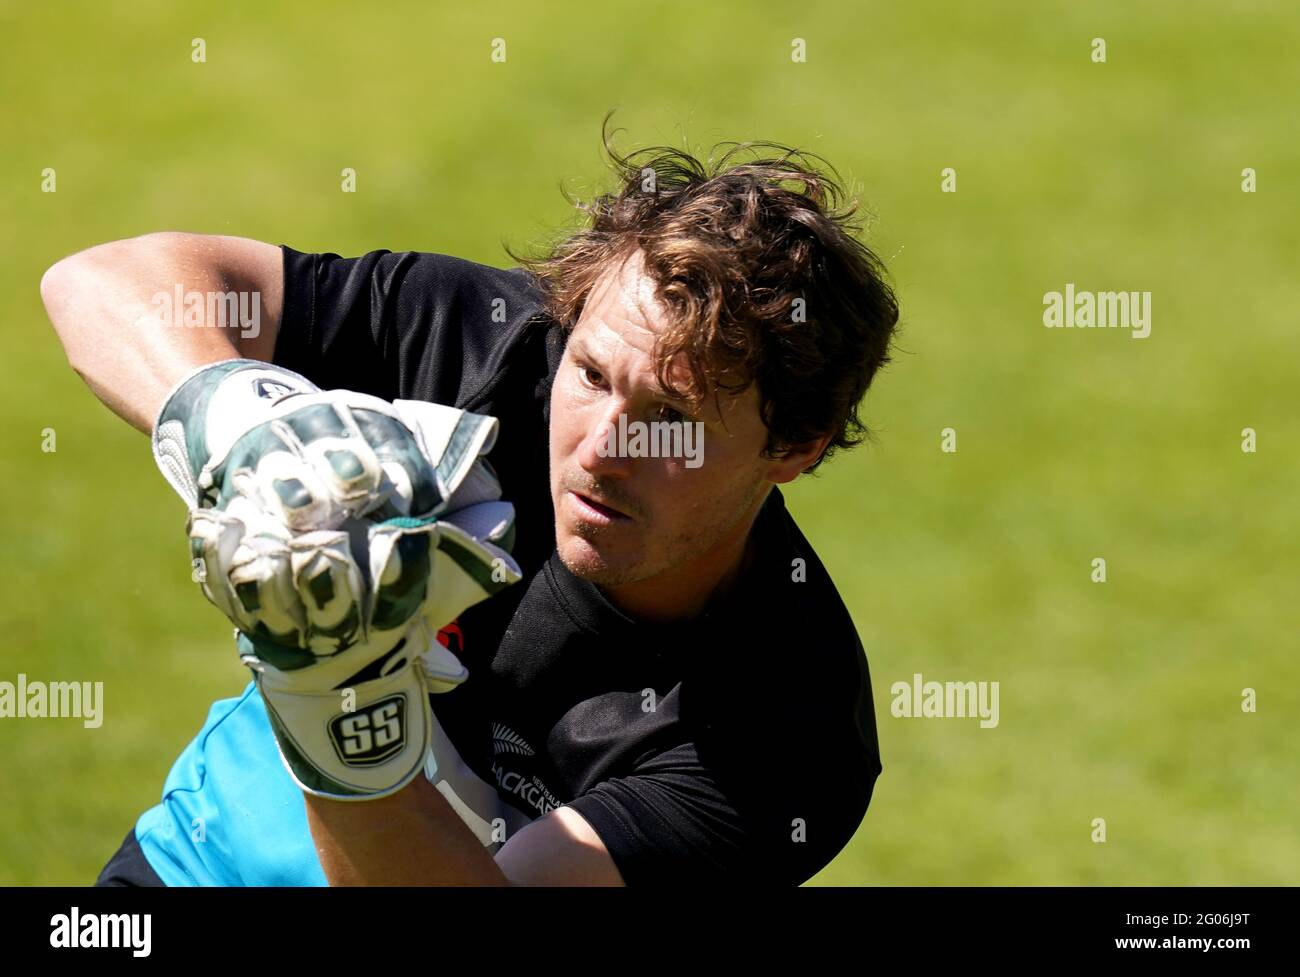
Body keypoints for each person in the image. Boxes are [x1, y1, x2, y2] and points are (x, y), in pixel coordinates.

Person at [41, 127, 900, 886]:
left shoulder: (788, 736)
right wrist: (251, 427)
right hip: (200, 863)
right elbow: (99, 284)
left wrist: (337, 703)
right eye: (591, 374)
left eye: (671, 419)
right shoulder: (489, 351)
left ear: (796, 446)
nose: (601, 446)